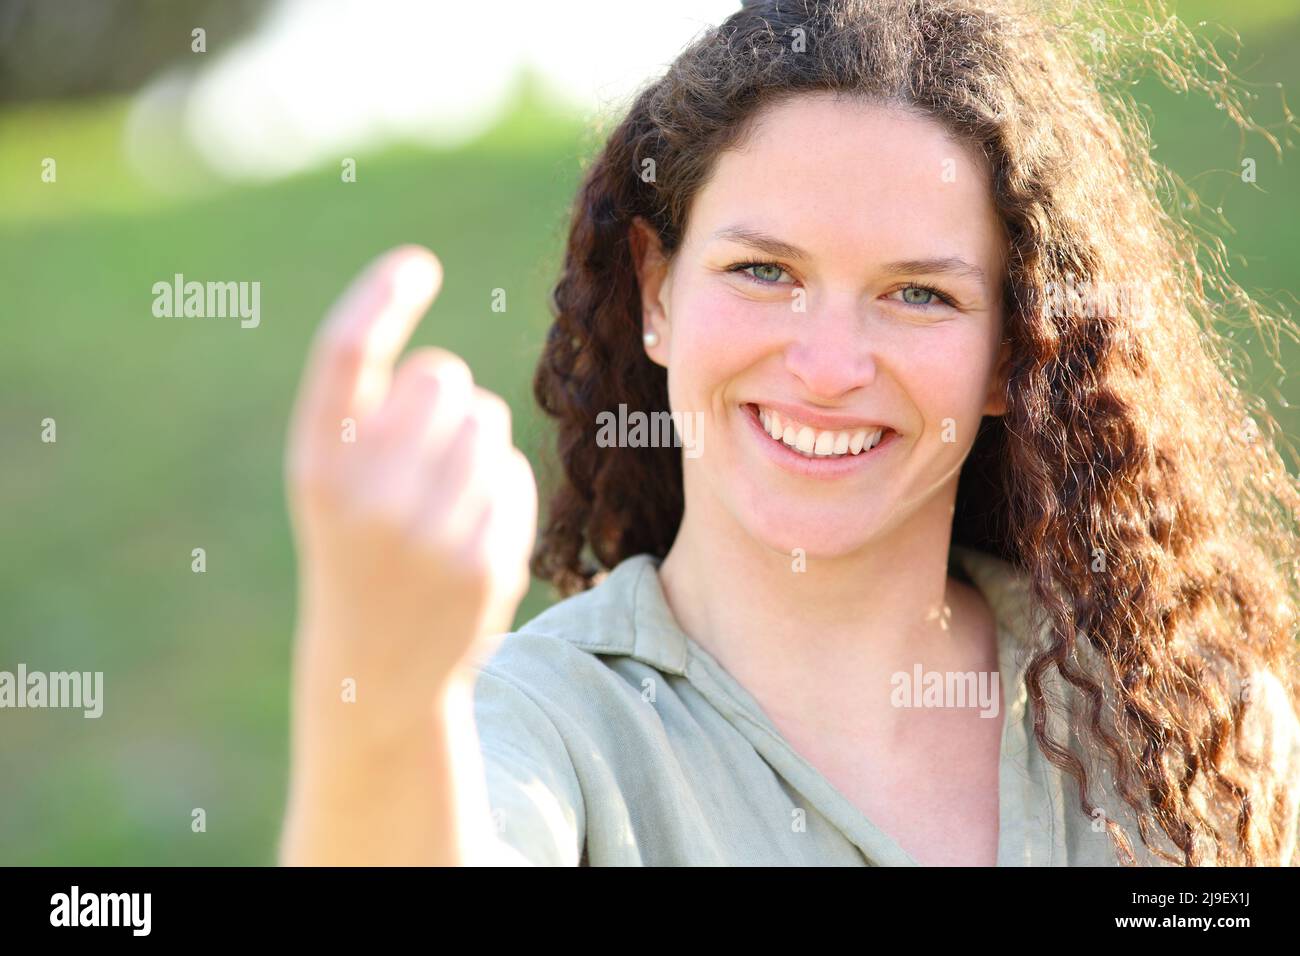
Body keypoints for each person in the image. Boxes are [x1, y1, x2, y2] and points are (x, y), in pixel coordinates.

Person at [277, 0, 1300, 866]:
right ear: (656, 289)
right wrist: (379, 692)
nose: (826, 366)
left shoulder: (1192, 730)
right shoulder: (533, 727)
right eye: (763, 271)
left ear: (1010, 351)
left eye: (918, 293)